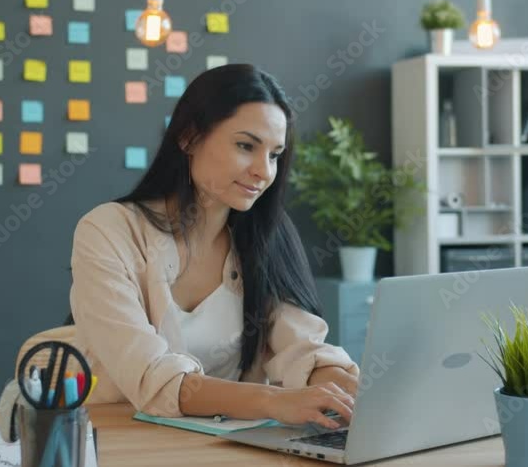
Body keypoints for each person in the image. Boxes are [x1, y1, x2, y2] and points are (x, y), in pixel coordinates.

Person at [69, 64, 359, 429]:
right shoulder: (108, 231)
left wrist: (351, 388)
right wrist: (275, 401)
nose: (263, 171)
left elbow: (304, 349)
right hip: (119, 436)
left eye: (274, 154)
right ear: (189, 137)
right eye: (245, 146)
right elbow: (154, 379)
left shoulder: (266, 235)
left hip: (218, 447)